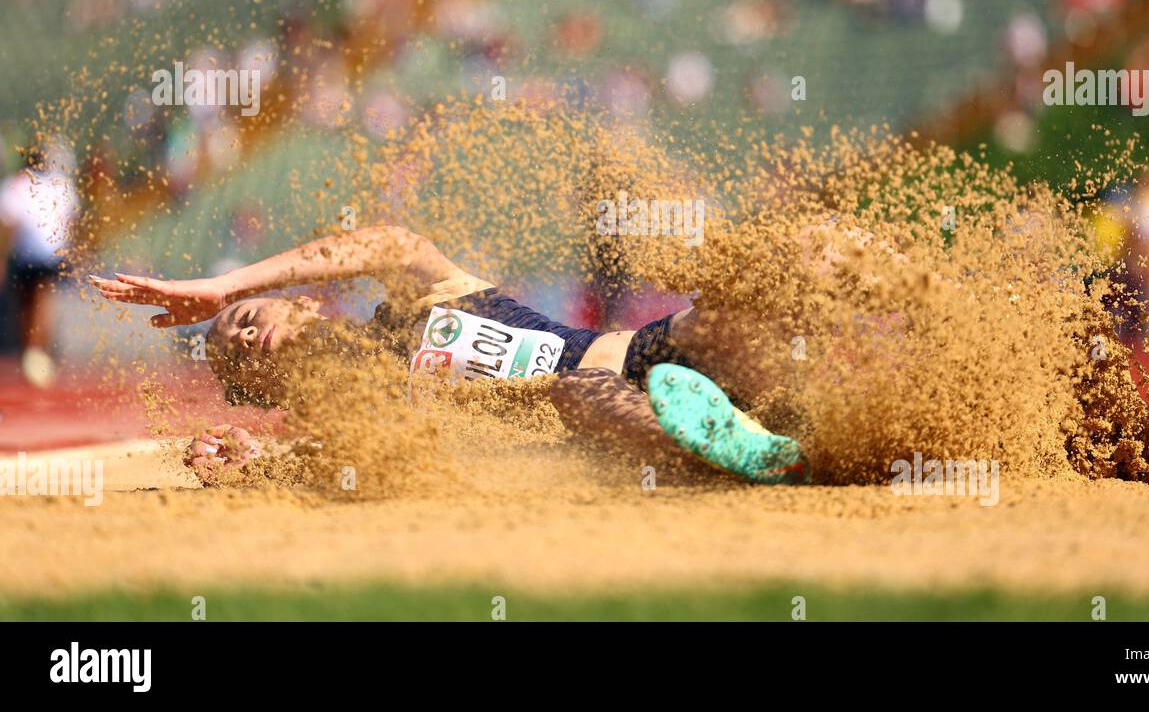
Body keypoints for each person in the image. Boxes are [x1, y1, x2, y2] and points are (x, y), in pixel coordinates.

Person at [91, 223, 820, 485]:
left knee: (788, 265)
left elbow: (389, 243)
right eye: (238, 354)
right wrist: (251, 465)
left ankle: (909, 352)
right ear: (262, 390)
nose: (247, 337)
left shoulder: (424, 297)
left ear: (302, 299)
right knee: (567, 392)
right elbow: (320, 466)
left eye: (246, 321)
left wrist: (220, 288)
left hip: (644, 350)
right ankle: (743, 454)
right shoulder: (350, 424)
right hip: (603, 430)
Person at [0, 142, 80, 388]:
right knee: (34, 303)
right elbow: (71, 224)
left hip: (32, 254)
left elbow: (8, 226)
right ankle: (34, 353)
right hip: (42, 252)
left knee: (36, 302)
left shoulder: (19, 184)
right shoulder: (56, 184)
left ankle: (35, 352)